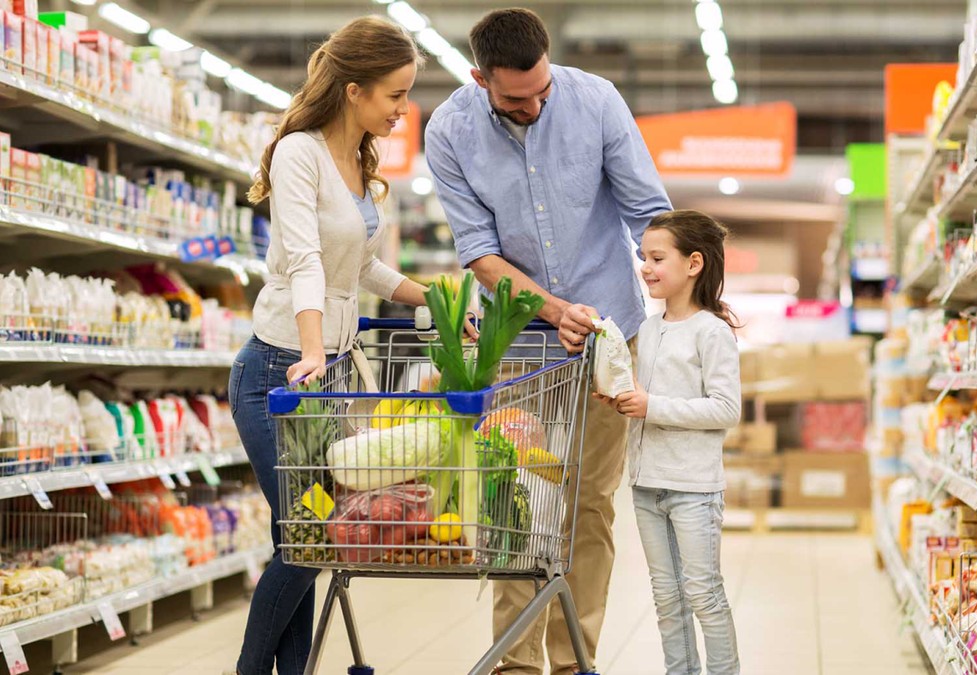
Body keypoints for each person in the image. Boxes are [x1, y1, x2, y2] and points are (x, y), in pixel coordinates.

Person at [424, 7, 672, 674]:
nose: (533, 105)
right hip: (514, 340)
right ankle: (517, 665)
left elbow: (648, 210)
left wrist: (690, 290)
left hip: (606, 342)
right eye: (514, 98)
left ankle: (573, 662)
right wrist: (554, 308)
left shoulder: (594, 99)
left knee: (586, 506)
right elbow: (479, 253)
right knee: (514, 502)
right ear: (479, 78)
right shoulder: (448, 130)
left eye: (541, 91)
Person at [228, 16, 428, 675]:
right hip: (280, 373)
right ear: (353, 90)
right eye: (395, 95)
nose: (405, 110)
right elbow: (308, 260)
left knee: (312, 537)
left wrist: (433, 296)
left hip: (327, 374)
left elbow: (360, 267)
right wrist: (313, 351)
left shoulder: (357, 160)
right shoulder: (299, 154)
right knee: (306, 539)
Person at [596, 210, 742, 675]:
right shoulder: (650, 328)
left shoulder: (712, 332)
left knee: (704, 593)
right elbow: (645, 398)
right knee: (666, 596)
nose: (646, 266)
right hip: (646, 485)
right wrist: (619, 398)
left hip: (693, 488)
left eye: (657, 257)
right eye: (644, 257)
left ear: (694, 263)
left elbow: (725, 409)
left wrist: (651, 405)